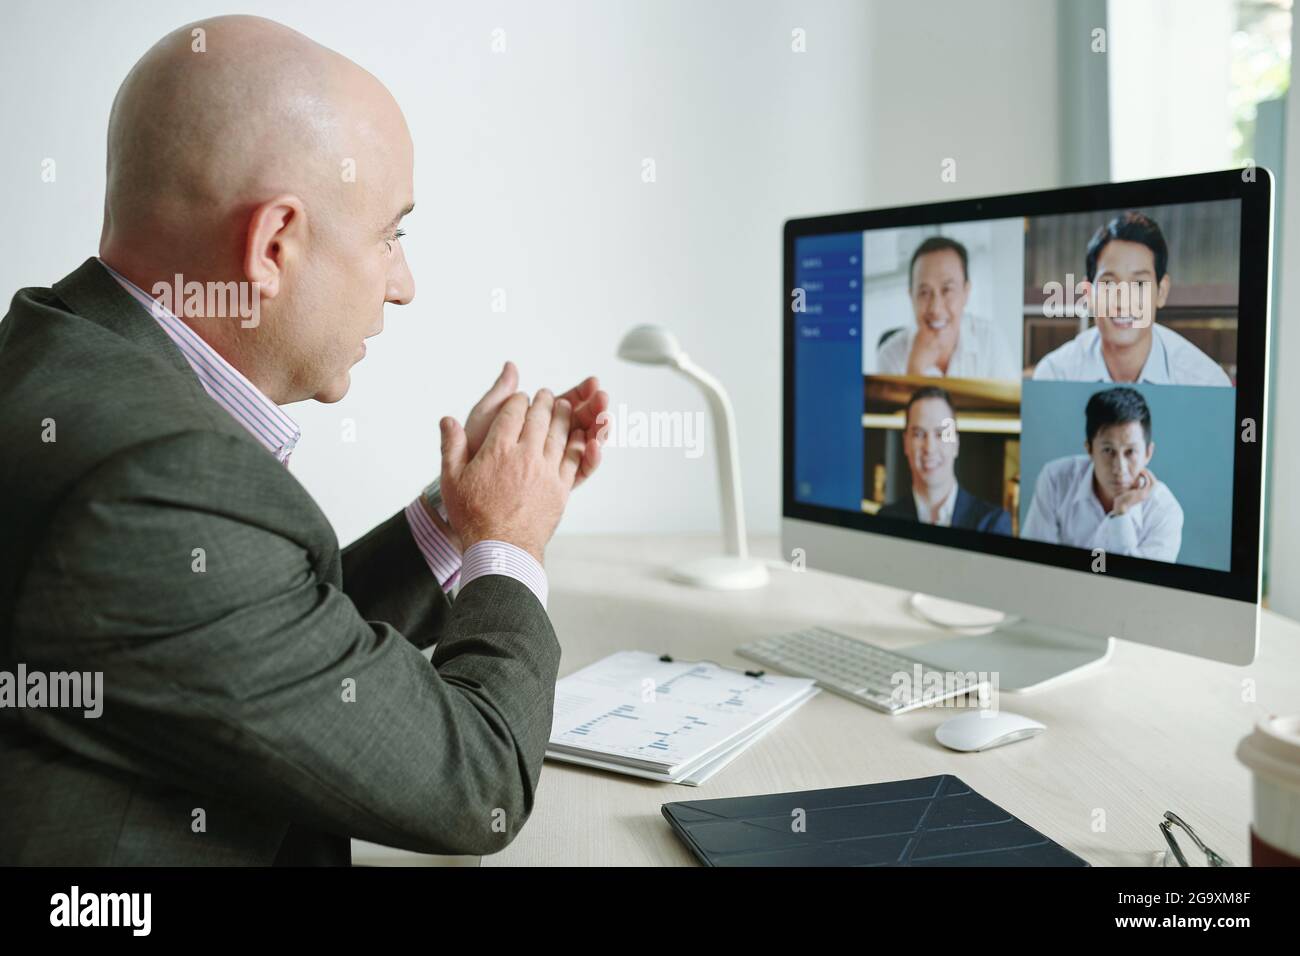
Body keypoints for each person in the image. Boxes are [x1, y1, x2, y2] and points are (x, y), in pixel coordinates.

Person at [0, 15, 609, 865]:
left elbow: (249, 647)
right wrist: (508, 545)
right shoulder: (158, 480)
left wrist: (456, 519)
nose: (404, 285)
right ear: (274, 244)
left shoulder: (55, 354)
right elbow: (480, 790)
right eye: (392, 236)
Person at [1032, 211, 1232, 386]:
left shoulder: (1206, 383)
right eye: (1109, 284)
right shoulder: (1056, 376)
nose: (1123, 302)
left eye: (1138, 284)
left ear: (1161, 292)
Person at [1021, 386, 1183, 562]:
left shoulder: (1164, 510)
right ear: (1089, 449)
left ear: (1148, 453)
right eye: (1108, 450)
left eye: (1130, 452)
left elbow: (1141, 585)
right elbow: (1035, 562)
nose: (1119, 468)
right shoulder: (1056, 479)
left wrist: (1120, 513)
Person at [876, 236, 1017, 380]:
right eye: (924, 293)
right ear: (911, 296)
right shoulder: (889, 355)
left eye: (947, 290)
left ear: (966, 293)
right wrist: (915, 368)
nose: (936, 309)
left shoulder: (990, 340)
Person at [877, 386, 1012, 534]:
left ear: (955, 444)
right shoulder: (885, 520)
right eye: (919, 434)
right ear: (905, 443)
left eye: (940, 434)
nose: (929, 448)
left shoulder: (991, 523)